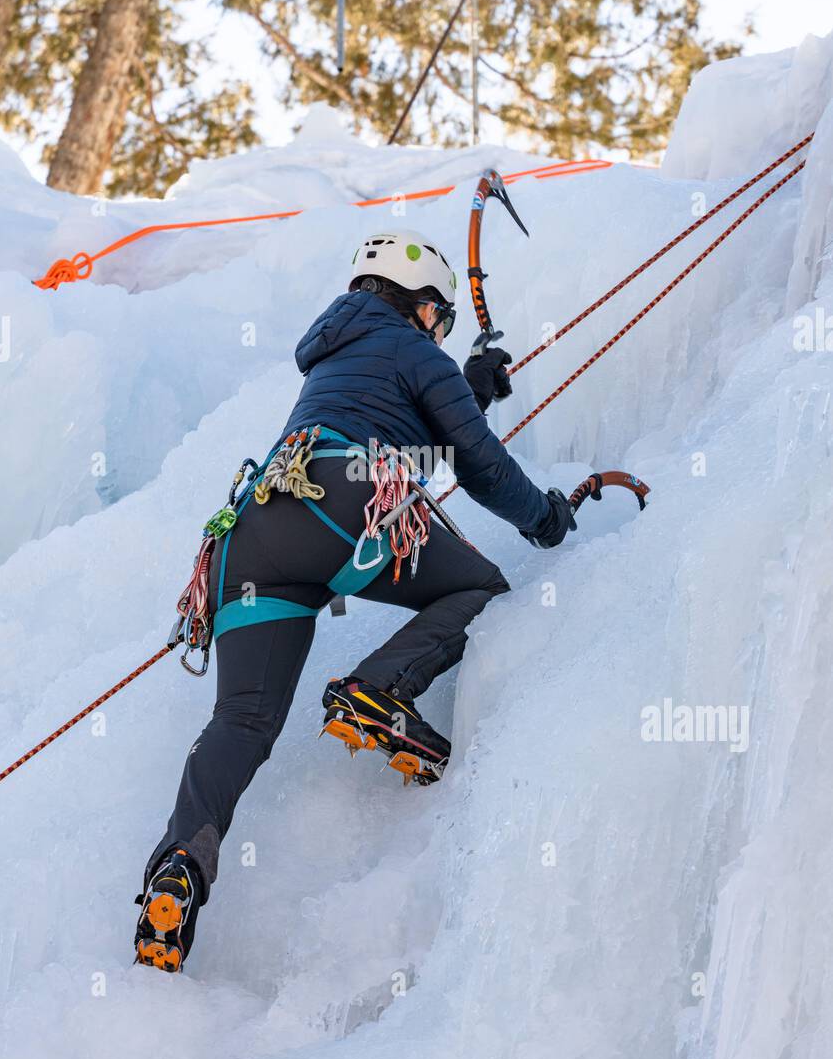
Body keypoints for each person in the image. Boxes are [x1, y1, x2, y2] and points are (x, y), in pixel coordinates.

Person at [135, 229, 576, 972]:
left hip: (257, 534)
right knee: (478, 585)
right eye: (439, 316)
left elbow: (409, 432)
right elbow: (476, 463)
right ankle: (378, 690)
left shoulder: (343, 349)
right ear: (422, 306)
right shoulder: (412, 349)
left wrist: (471, 386)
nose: (439, 330)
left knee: (241, 719)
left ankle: (178, 867)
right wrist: (546, 520)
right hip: (345, 504)